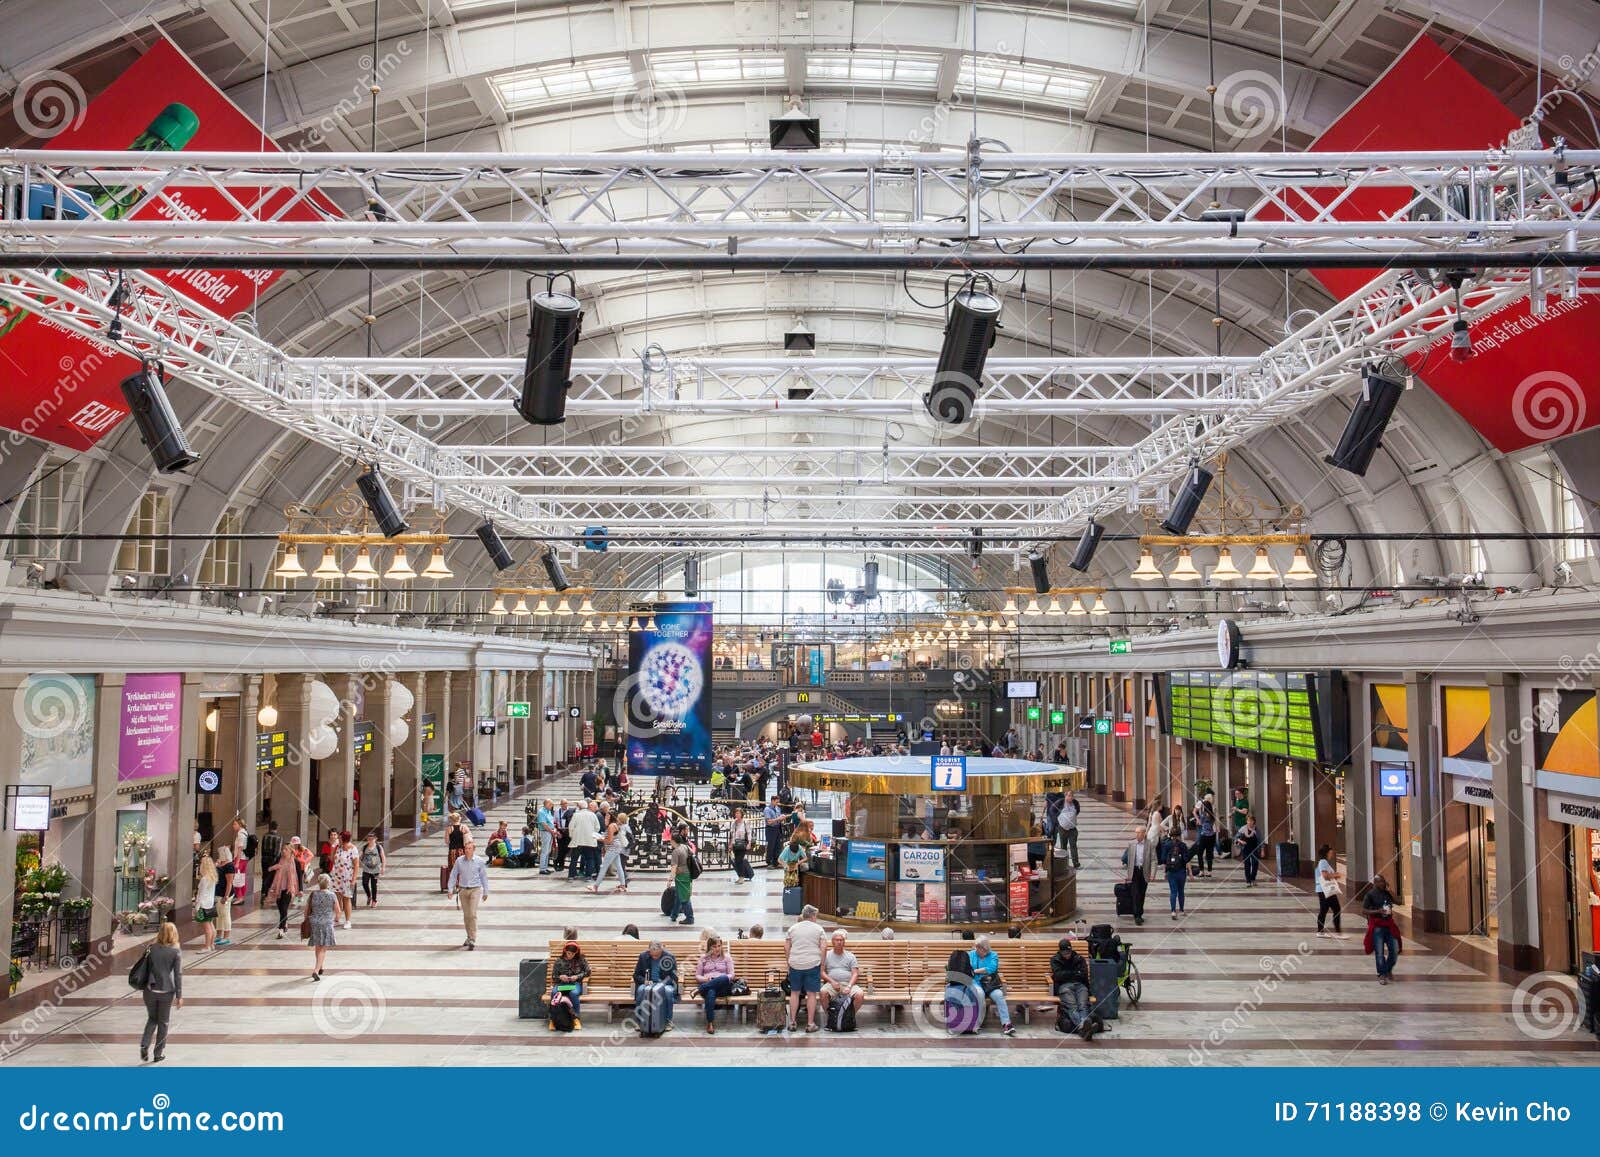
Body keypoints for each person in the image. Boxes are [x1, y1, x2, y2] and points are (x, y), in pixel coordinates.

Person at [137, 920, 183, 1063]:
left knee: (152, 1018)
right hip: (166, 991)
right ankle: (158, 1053)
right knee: (163, 1022)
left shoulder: (151, 948)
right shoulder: (176, 951)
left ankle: (145, 1044)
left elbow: (144, 966)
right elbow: (178, 975)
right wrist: (179, 996)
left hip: (150, 989)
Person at [784, 904, 829, 1033]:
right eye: (816, 916)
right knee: (811, 994)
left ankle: (792, 1022)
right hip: (812, 964)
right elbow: (824, 947)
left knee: (795, 993)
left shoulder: (792, 928)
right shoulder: (819, 929)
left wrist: (789, 962)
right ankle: (810, 1024)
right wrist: (822, 964)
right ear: (813, 916)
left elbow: (786, 947)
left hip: (795, 964)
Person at [1049, 936, 1098, 1039]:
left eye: (1068, 952)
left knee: (1083, 1005)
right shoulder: (1055, 960)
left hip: (1080, 986)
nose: (1067, 955)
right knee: (1072, 1007)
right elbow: (1058, 976)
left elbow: (1083, 974)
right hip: (1064, 987)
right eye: (1064, 953)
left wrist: (1067, 974)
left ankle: (1083, 1029)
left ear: (1071, 950)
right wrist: (1075, 973)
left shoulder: (1079, 958)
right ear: (1060, 952)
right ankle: (1085, 1026)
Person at [447, 837, 491, 950]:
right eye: (466, 848)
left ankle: (473, 938)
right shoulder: (459, 861)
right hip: (463, 890)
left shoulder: (479, 861)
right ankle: (468, 936)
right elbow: (453, 875)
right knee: (466, 916)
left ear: (473, 850)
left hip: (475, 889)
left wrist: (486, 891)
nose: (467, 850)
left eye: (469, 848)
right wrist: (450, 889)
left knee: (472, 914)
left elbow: (483, 877)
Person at [968, 934, 1015, 1035]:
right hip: (976, 983)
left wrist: (976, 971)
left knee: (999, 995)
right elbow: (968, 969)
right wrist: (981, 970)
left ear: (985, 948)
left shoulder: (993, 955)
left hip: (990, 984)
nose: (977, 949)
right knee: (979, 995)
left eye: (979, 947)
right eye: (976, 947)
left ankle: (1007, 1024)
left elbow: (992, 969)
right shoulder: (971, 954)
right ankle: (977, 1024)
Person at [1362, 875, 1402, 984]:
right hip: (1377, 926)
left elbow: (1399, 902)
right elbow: (1364, 910)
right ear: (1375, 883)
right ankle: (1382, 974)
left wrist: (1391, 891)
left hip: (1389, 924)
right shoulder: (1370, 894)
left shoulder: (1387, 892)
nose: (1382, 884)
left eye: (1383, 882)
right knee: (1379, 952)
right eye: (1380, 882)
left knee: (1394, 949)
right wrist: (1377, 911)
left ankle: (1388, 969)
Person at [695, 934, 737, 1034]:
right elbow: (697, 976)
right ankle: (710, 1023)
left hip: (723, 987)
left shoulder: (727, 958)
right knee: (710, 992)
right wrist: (706, 979)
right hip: (708, 985)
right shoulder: (703, 958)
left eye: (719, 946)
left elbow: (731, 975)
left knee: (723, 977)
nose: (717, 948)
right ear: (709, 947)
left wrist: (719, 979)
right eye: (714, 946)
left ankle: (699, 990)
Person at [633, 940, 678, 1034]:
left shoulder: (669, 957)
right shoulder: (643, 956)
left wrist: (663, 983)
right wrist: (644, 981)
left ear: (662, 951)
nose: (654, 957)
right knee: (641, 990)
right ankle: (638, 1021)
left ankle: (668, 1021)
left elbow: (674, 976)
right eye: (652, 955)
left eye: (657, 955)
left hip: (665, 983)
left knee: (668, 992)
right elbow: (636, 975)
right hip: (648, 983)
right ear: (649, 951)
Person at [820, 929, 864, 1021]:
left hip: (848, 984)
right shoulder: (826, 955)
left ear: (844, 942)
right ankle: (831, 1018)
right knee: (823, 992)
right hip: (832, 984)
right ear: (832, 941)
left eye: (841, 940)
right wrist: (832, 982)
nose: (839, 942)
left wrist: (849, 986)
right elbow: (821, 972)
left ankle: (849, 1017)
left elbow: (855, 974)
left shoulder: (850, 956)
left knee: (860, 994)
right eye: (837, 940)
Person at [550, 940, 591, 1029]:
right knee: (554, 993)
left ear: (576, 953)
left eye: (572, 954)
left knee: (573, 993)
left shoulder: (581, 960)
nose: (570, 955)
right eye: (568, 953)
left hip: (575, 983)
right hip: (561, 984)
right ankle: (553, 1019)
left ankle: (576, 1018)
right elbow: (554, 976)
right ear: (565, 951)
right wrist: (560, 977)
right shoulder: (559, 960)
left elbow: (588, 972)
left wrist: (577, 976)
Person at [306, 873, 338, 981]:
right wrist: (336, 919)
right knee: (323, 948)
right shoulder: (332, 895)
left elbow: (306, 910)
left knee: (317, 946)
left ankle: (320, 967)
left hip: (314, 923)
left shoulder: (313, 894)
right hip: (327, 923)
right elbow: (338, 910)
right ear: (328, 883)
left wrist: (307, 919)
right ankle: (316, 970)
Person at [590, 810, 631, 894]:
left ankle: (595, 886)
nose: (605, 818)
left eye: (607, 816)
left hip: (613, 848)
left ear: (611, 817)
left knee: (604, 867)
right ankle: (623, 885)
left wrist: (599, 838)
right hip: (616, 848)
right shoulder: (614, 825)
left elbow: (609, 840)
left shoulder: (611, 826)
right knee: (619, 866)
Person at [265, 844, 301, 938]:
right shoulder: (279, 859)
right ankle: (285, 923)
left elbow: (299, 876)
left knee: (284, 908)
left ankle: (281, 929)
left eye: (285, 849)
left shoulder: (295, 862)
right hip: (278, 888)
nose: (283, 851)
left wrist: (300, 889)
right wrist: (274, 867)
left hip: (289, 888)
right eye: (282, 849)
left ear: (290, 851)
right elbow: (270, 870)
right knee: (280, 908)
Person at [1121, 821, 1150, 925]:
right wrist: (1127, 875)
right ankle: (1136, 915)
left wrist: (1153, 872)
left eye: (1139, 833)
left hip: (1144, 871)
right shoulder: (1132, 844)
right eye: (1136, 833)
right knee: (1135, 893)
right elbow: (1125, 858)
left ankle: (1140, 913)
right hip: (1134, 871)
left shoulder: (1149, 844)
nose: (1137, 835)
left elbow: (1154, 859)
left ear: (1144, 834)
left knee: (1142, 893)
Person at [1316, 844, 1347, 938]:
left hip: (1324, 890)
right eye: (1330, 853)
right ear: (1326, 853)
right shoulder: (1323, 862)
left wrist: (1334, 875)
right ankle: (1337, 932)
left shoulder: (1323, 862)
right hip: (1325, 890)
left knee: (1324, 910)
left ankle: (1320, 931)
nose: (1332, 854)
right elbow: (1325, 876)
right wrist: (1335, 875)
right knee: (1336, 909)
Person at [567, 801, 601, 881]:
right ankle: (588, 876)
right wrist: (592, 834)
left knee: (574, 859)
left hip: (577, 841)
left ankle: (571, 876)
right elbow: (597, 827)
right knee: (590, 858)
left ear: (579, 807)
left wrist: (572, 836)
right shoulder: (592, 815)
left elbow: (571, 827)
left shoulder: (576, 815)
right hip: (589, 841)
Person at [331, 831, 359, 928]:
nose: (338, 839)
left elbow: (356, 865)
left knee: (346, 898)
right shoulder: (338, 847)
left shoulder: (353, 849)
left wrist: (354, 879)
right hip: (337, 876)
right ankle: (337, 917)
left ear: (344, 838)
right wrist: (333, 849)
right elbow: (332, 859)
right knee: (337, 897)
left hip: (347, 877)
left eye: (340, 837)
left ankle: (348, 921)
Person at [1163, 827, 1192, 919]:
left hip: (1171, 872)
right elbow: (1187, 860)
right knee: (1181, 891)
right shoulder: (1183, 845)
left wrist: (1165, 872)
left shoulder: (1167, 845)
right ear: (1179, 835)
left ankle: (1173, 911)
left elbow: (1164, 860)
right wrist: (1190, 872)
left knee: (1173, 892)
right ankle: (1182, 910)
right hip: (1181, 872)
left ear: (1170, 835)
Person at [668, 830, 695, 926]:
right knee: (679, 896)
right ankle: (674, 915)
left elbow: (674, 867)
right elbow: (692, 854)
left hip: (682, 877)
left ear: (674, 841)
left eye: (670, 840)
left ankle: (690, 918)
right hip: (688, 874)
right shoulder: (685, 846)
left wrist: (670, 879)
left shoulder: (676, 851)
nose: (670, 842)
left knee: (684, 898)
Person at [194, 853, 219, 951]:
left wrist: (196, 907)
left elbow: (201, 894)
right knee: (211, 925)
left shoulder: (204, 879)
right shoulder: (212, 877)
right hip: (211, 904)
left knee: (207, 927)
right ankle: (212, 944)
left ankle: (207, 946)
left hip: (204, 905)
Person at [212, 845, 236, 946]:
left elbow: (229, 882)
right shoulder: (220, 864)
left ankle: (226, 937)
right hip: (218, 893)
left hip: (225, 894)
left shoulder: (229, 865)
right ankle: (219, 935)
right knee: (219, 915)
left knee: (225, 915)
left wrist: (226, 896)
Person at [258, 821, 284, 901]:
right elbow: (277, 851)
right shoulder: (279, 837)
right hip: (273, 860)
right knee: (271, 877)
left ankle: (263, 892)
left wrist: (262, 858)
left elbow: (262, 849)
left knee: (264, 876)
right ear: (277, 827)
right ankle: (267, 892)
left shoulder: (265, 836)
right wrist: (276, 861)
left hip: (264, 859)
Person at [728, 807, 754, 883]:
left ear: (742, 814)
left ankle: (742, 877)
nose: (737, 814)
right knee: (737, 861)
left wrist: (749, 843)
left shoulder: (746, 822)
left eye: (738, 813)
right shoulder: (734, 823)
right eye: (736, 813)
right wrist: (730, 844)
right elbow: (732, 834)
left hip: (743, 843)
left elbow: (749, 833)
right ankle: (740, 876)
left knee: (739, 860)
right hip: (735, 844)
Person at [359, 832, 386, 908]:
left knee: (374, 885)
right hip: (366, 869)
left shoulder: (378, 847)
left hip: (376, 870)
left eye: (372, 839)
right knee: (364, 883)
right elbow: (359, 856)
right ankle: (369, 896)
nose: (370, 840)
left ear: (375, 839)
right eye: (369, 839)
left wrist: (383, 867)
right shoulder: (364, 847)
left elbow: (383, 857)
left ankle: (374, 900)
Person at [1056, 790, 1081, 868]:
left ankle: (1076, 863)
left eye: (1072, 796)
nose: (1071, 797)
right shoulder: (1060, 802)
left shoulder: (1075, 803)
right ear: (1065, 796)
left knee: (1073, 846)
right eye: (1069, 796)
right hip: (1062, 829)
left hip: (1072, 829)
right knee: (1063, 847)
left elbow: (1077, 811)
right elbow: (1053, 810)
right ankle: (1064, 864)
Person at [1237, 813, 1263, 886]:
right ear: (1246, 821)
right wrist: (1241, 841)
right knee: (1247, 864)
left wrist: (1262, 850)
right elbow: (1236, 838)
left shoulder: (1256, 830)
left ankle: (1253, 878)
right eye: (1248, 821)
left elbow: (1260, 840)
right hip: (1246, 849)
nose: (1250, 822)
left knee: (1255, 863)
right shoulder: (1242, 829)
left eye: (1251, 821)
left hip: (1255, 849)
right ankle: (1248, 880)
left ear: (1254, 822)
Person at [1194, 799, 1218, 877]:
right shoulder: (1212, 815)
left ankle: (1201, 871)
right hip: (1212, 836)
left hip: (1204, 836)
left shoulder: (1204, 815)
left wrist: (1197, 819)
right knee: (1209, 854)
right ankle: (1209, 871)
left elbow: (1200, 823)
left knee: (1200, 853)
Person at [535, 798, 557, 874]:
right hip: (545, 832)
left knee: (548, 850)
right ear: (546, 804)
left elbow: (551, 822)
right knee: (544, 850)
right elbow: (544, 824)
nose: (552, 806)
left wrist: (554, 830)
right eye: (551, 804)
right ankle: (542, 868)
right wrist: (551, 831)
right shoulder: (541, 812)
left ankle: (545, 867)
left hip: (550, 832)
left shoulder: (549, 811)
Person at [763, 797, 785, 868]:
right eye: (776, 802)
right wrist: (778, 818)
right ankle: (769, 862)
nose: (777, 803)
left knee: (778, 846)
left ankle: (776, 862)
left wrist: (782, 819)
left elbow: (778, 819)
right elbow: (769, 821)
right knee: (770, 846)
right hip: (770, 829)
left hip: (777, 828)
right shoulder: (767, 809)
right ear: (772, 801)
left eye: (778, 802)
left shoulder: (778, 808)